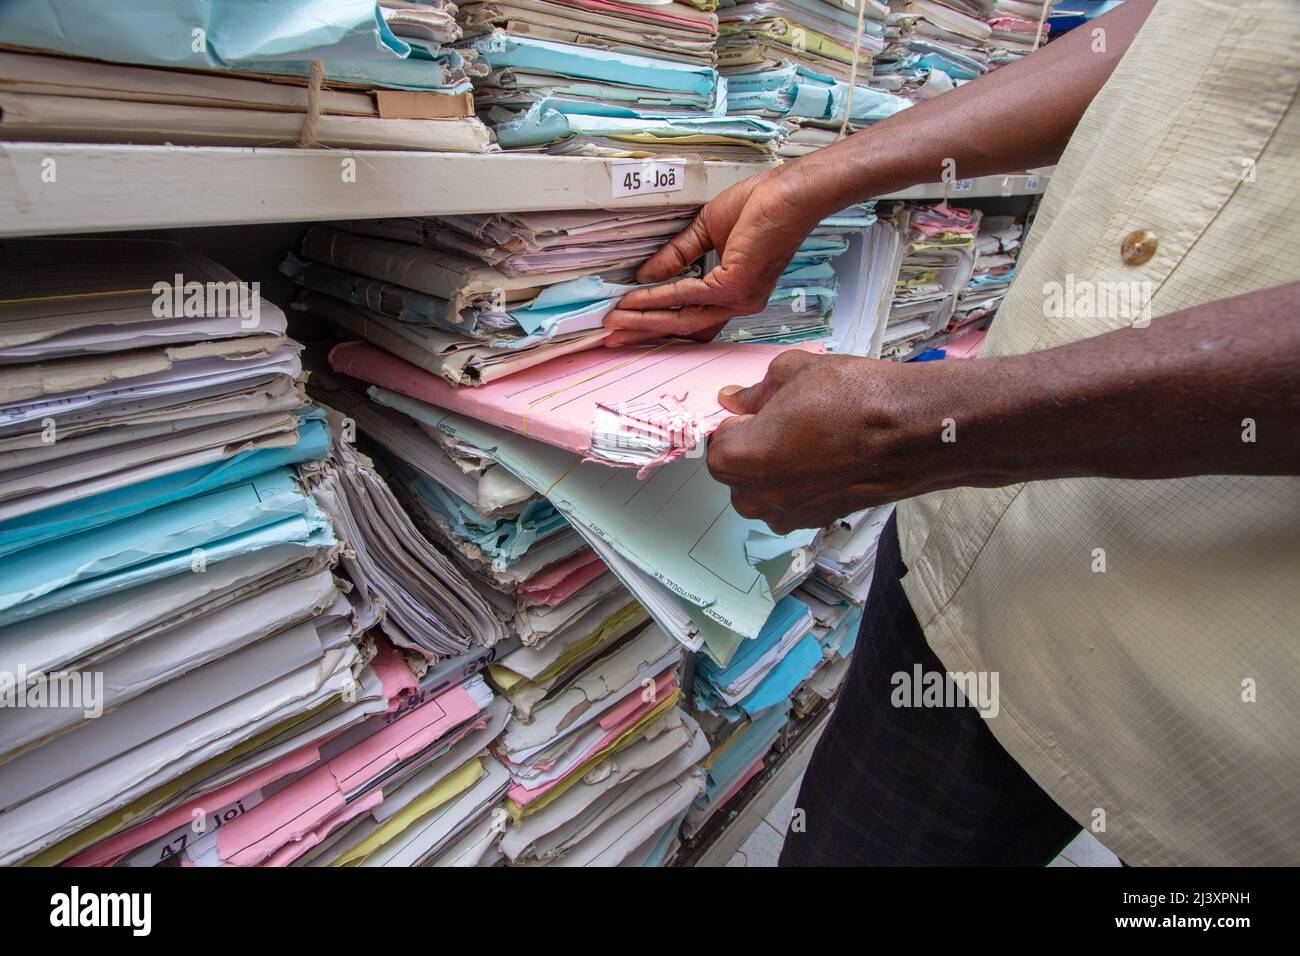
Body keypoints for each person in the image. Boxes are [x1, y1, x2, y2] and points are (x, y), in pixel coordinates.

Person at [604, 0, 1300, 866]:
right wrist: (807, 182)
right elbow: (1180, 29)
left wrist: (925, 426)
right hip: (963, 571)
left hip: (1224, 689)